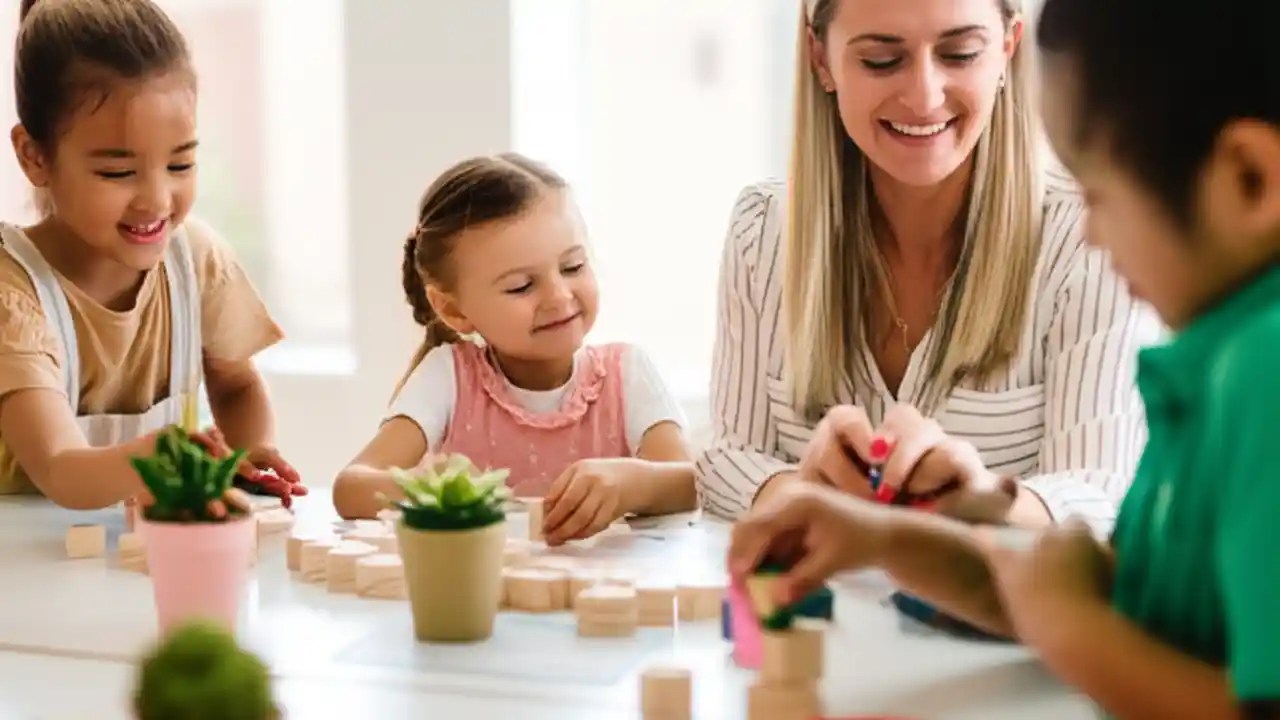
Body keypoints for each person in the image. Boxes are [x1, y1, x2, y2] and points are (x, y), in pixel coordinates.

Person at [728, 0, 1280, 717]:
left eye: (1100, 195)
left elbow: (1084, 618)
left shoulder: (1264, 375)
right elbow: (1103, 596)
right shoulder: (1213, 368)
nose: (1089, 233)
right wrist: (883, 537)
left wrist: (1070, 629)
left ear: (1249, 182)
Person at [698, 0, 1162, 535]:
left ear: (1007, 51)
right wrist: (808, 494)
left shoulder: (1086, 240)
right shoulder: (762, 231)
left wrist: (984, 498)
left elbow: (1103, 490)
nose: (924, 96)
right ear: (820, 59)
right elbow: (729, 457)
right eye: (881, 60)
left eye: (960, 54)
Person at [0, 0, 305, 510]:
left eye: (180, 164)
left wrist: (245, 453)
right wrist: (160, 453)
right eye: (118, 173)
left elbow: (235, 386)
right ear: (35, 156)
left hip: (145, 558)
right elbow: (59, 467)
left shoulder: (197, 260)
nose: (157, 200)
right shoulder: (13, 295)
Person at [333, 153, 697, 545]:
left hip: (612, 599)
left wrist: (633, 484)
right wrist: (430, 491)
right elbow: (351, 487)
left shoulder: (628, 372)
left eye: (573, 266)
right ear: (454, 310)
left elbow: (692, 483)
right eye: (522, 286)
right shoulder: (449, 378)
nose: (559, 296)